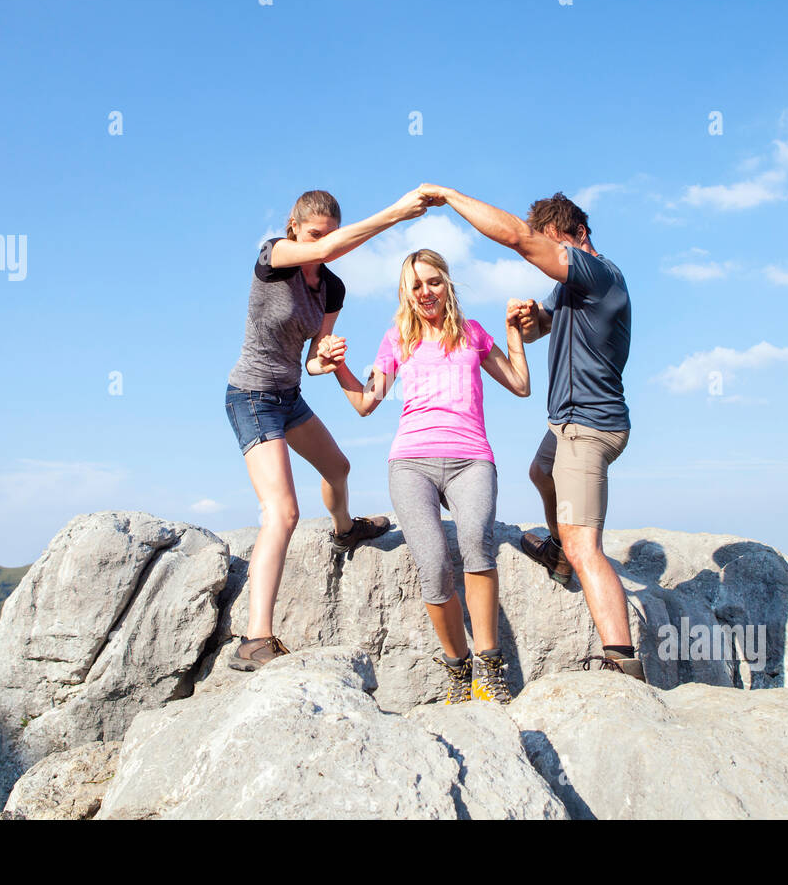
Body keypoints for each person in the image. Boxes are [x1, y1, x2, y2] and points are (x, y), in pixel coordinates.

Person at [416, 185, 644, 679]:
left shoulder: (598, 272)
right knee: (542, 472)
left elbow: (520, 240)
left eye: (553, 245)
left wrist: (451, 198)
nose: (547, 258)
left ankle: (623, 662)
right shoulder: (570, 289)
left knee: (588, 545)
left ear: (578, 235)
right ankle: (559, 554)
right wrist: (528, 319)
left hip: (589, 426)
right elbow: (547, 325)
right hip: (565, 423)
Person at [224, 188, 430, 671]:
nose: (326, 243)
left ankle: (345, 531)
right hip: (250, 397)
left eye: (332, 233)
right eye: (317, 234)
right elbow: (318, 252)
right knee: (283, 512)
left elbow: (314, 360)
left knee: (339, 467)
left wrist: (327, 358)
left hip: (289, 396)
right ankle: (255, 640)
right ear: (294, 227)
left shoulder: (332, 288)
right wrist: (398, 213)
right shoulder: (274, 256)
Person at [328, 248, 530, 703]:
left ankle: (490, 670)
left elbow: (520, 385)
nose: (425, 292)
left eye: (433, 282)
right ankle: (459, 672)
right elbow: (365, 403)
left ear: (448, 284)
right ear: (406, 293)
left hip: (470, 459)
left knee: (477, 543)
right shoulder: (397, 337)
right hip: (411, 463)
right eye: (415, 285)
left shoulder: (473, 333)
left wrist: (514, 332)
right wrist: (337, 364)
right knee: (435, 565)